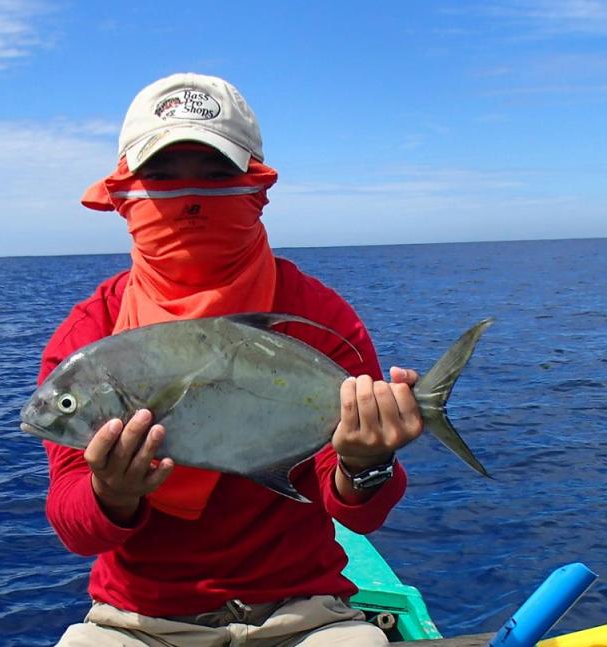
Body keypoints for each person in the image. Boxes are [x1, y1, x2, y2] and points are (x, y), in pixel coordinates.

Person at [36, 72, 424, 646]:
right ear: (121, 194)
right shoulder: (91, 334)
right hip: (141, 621)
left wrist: (366, 464)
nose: (189, 197)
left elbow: (359, 514)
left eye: (215, 175)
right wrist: (111, 494)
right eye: (162, 176)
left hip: (304, 610)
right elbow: (74, 525)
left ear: (256, 187)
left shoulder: (316, 315)